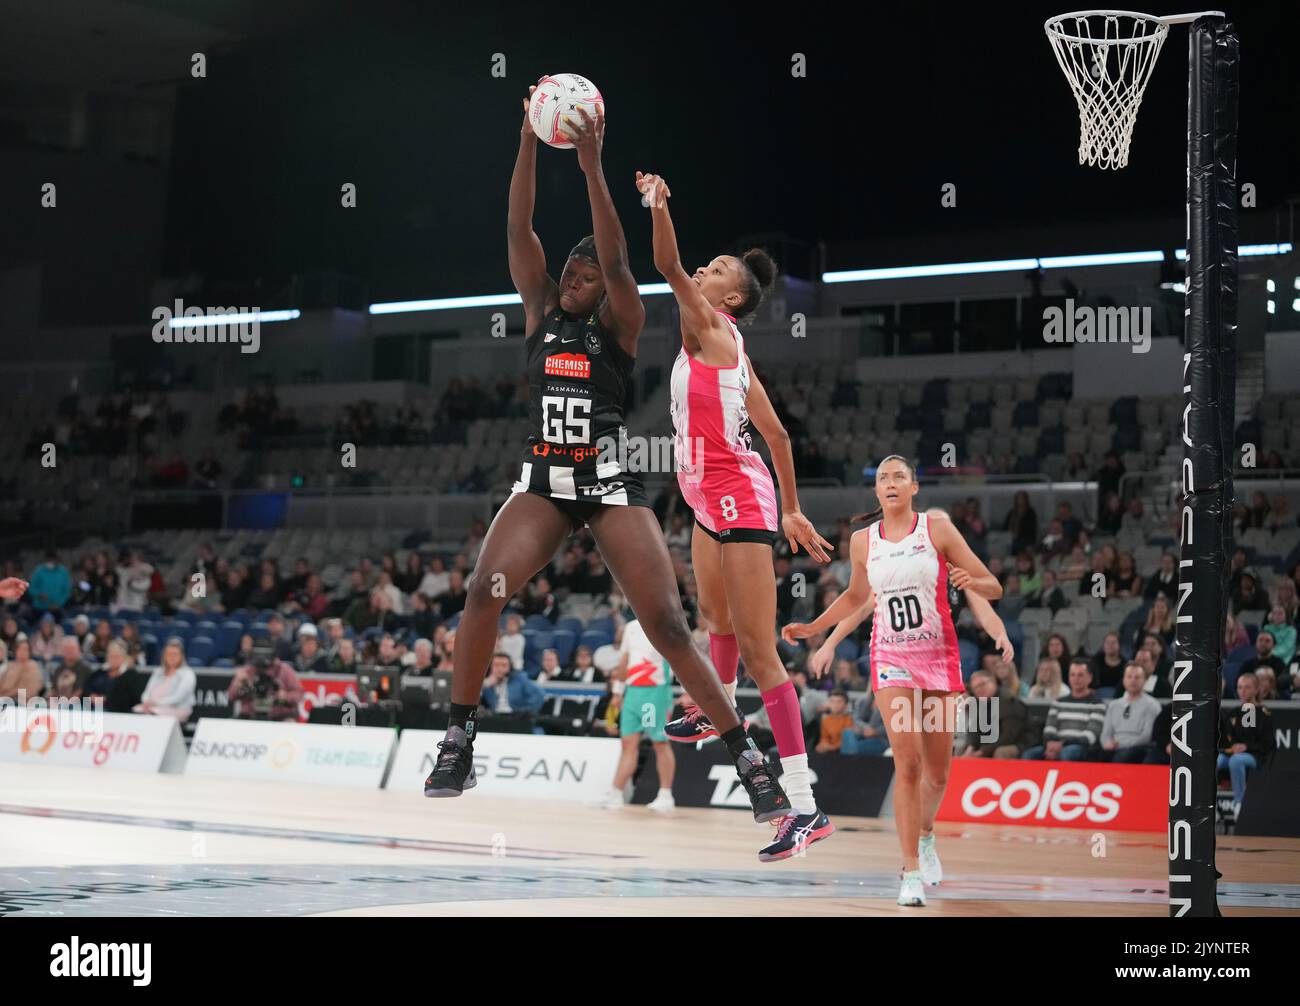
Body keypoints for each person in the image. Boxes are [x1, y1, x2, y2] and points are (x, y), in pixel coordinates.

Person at [422, 94, 789, 828]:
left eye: (583, 277)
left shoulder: (623, 321)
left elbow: (618, 257)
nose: (571, 279)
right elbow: (517, 226)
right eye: (568, 272)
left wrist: (593, 166)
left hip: (610, 481)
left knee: (667, 626)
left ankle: (749, 758)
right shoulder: (539, 310)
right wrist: (527, 138)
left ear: (605, 293)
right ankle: (459, 736)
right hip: (546, 482)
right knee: (484, 592)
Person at [637, 164, 834, 858]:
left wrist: (659, 203)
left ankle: (805, 806)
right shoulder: (736, 351)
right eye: (709, 262)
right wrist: (798, 510)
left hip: (736, 496)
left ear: (731, 297)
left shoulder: (708, 326)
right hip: (703, 495)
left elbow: (663, 260)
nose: (705, 266)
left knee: (761, 649)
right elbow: (777, 434)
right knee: (712, 622)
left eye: (717, 267)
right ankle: (709, 701)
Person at [782, 455, 1002, 907]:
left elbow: (993, 585)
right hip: (891, 659)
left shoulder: (937, 529)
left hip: (939, 658)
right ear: (877, 491)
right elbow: (856, 598)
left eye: (899, 476)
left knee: (938, 774)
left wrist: (971, 581)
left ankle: (925, 836)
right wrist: (814, 630)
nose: (890, 483)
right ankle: (910, 872)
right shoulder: (863, 541)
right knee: (908, 763)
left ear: (915, 487)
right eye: (883, 478)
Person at [596, 617, 676, 814]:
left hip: (655, 691)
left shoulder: (666, 622)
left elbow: (680, 658)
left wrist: (688, 691)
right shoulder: (631, 627)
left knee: (660, 742)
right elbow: (624, 659)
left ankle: (666, 796)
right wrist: (617, 692)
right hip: (632, 692)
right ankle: (615, 794)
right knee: (627, 744)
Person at [1021, 659, 1105, 762]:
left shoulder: (1097, 704)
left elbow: (1090, 736)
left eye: (1080, 675)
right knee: (1029, 755)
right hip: (1056, 745)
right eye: (1072, 675)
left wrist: (1062, 744)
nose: (1076, 679)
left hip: (1081, 747)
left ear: (1089, 678)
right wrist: (1051, 744)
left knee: (1067, 753)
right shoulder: (1058, 702)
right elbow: (1049, 729)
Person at [1218, 671, 1274, 815]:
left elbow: (1268, 745)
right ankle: (1209, 805)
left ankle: (1239, 804)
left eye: (1247, 687)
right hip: (1233, 754)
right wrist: (1232, 747)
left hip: (1255, 757)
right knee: (1215, 761)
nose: (1242, 691)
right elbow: (1225, 739)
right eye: (1240, 687)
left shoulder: (1264, 714)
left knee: (1236, 761)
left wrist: (1246, 747)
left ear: (1256, 689)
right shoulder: (1234, 713)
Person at [1100, 663, 1163, 763]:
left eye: (1137, 677)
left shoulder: (1152, 705)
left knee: (1124, 755)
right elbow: (1105, 734)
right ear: (1124, 679)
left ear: (1145, 680)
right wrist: (1107, 744)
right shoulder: (1113, 705)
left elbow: (1147, 736)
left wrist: (1120, 744)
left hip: (1138, 748)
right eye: (1129, 677)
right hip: (1114, 747)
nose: (1133, 680)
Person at [957, 669, 1028, 759]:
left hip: (1018, 743)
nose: (979, 690)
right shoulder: (981, 703)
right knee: (961, 749)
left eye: (982, 685)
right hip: (989, 744)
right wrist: (970, 748)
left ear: (993, 682)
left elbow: (1009, 736)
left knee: (1001, 752)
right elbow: (974, 730)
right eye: (975, 688)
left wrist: (982, 752)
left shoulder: (1008, 701)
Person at [228, 648, 303, 720]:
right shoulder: (247, 671)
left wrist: (285, 696)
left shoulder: (283, 669)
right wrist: (238, 683)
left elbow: (299, 694)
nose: (262, 658)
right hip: (250, 716)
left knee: (289, 723)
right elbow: (231, 696)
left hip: (279, 716)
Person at [134, 638, 197, 720]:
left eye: (175, 654)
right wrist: (146, 701)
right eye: (169, 654)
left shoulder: (188, 674)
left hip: (176, 709)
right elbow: (147, 692)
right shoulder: (158, 671)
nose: (172, 657)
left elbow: (177, 697)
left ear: (181, 656)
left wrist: (156, 703)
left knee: (153, 715)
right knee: (135, 712)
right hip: (151, 707)